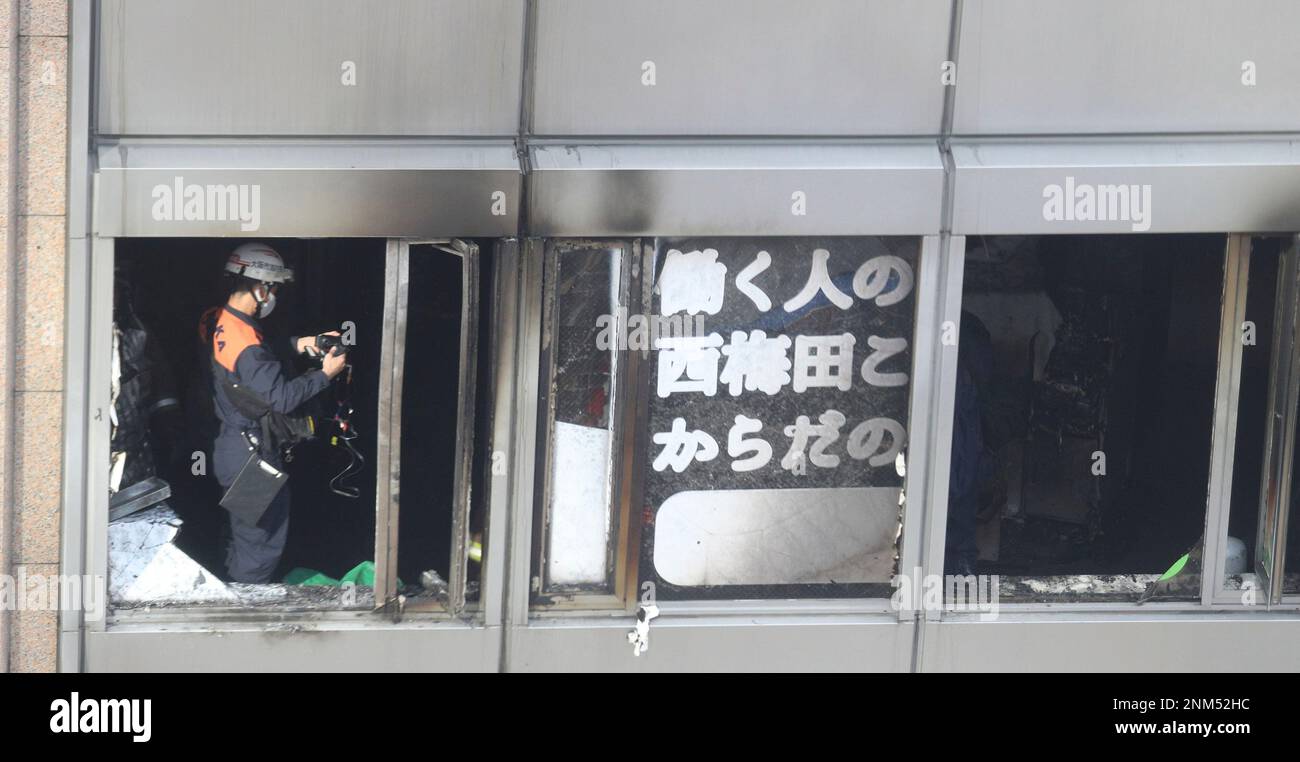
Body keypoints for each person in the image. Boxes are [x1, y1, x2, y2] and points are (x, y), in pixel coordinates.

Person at [201, 243, 348, 583]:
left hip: (231, 448)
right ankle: (245, 618)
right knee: (260, 547)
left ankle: (235, 596)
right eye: (274, 287)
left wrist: (303, 343)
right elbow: (280, 397)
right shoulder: (248, 346)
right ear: (260, 285)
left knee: (241, 539)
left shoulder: (222, 322)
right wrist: (324, 374)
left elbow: (254, 360)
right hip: (252, 458)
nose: (273, 295)